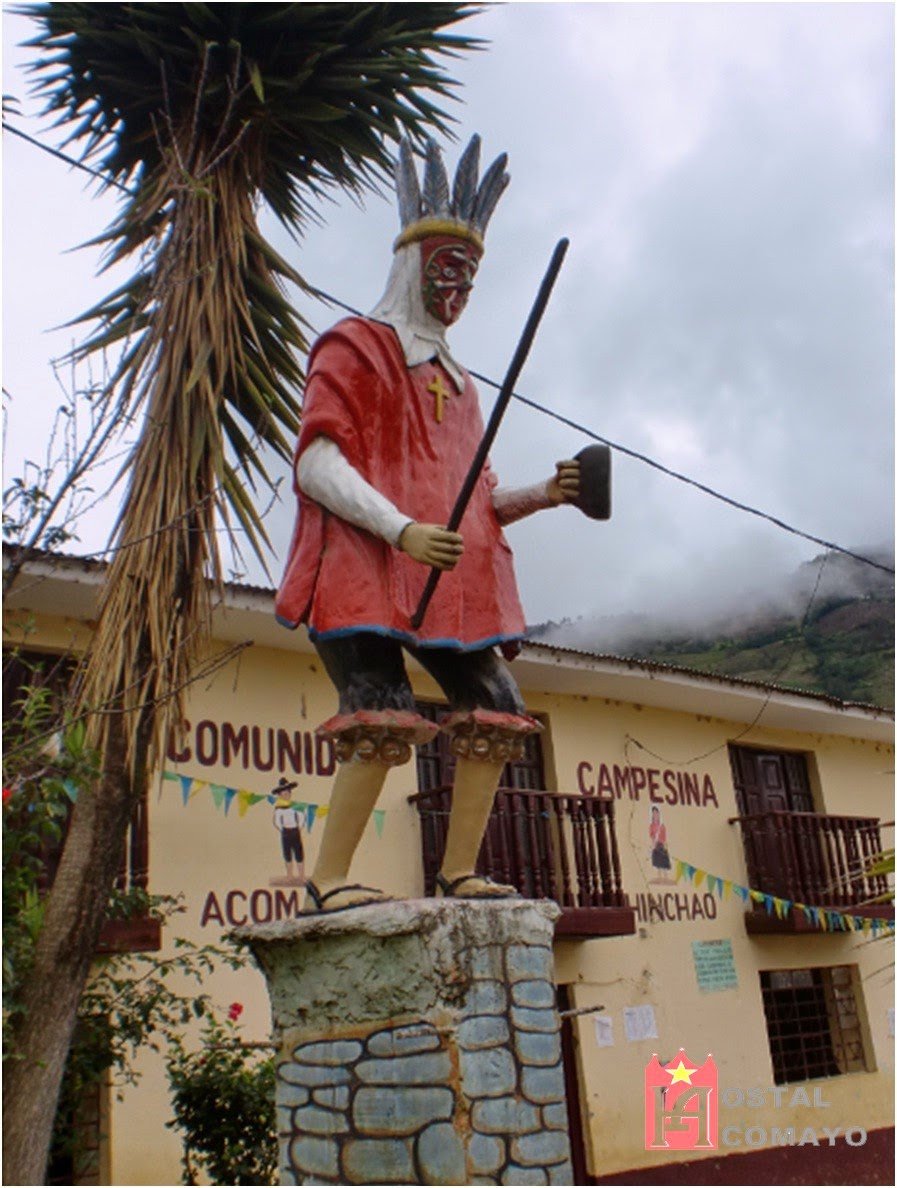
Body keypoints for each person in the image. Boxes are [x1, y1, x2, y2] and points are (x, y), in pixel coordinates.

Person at [275, 135, 580, 912]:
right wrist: (400, 528)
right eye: (448, 270)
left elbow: (473, 502)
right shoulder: (354, 347)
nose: (458, 290)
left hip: (445, 587)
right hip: (363, 570)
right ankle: (327, 882)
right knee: (382, 706)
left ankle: (457, 872)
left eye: (470, 279)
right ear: (412, 264)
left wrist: (546, 492)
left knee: (498, 707)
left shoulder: (461, 386)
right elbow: (316, 463)